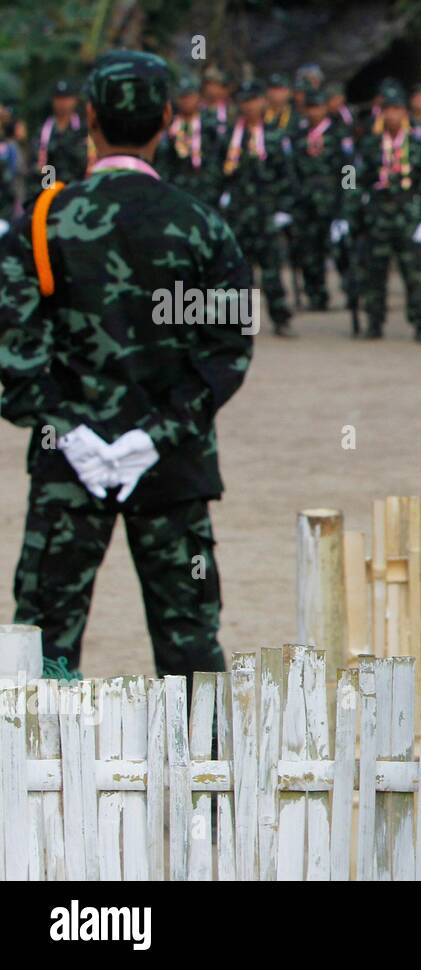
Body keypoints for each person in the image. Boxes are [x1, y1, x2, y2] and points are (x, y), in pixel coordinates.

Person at [0, 50, 252, 687]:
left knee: (44, 647)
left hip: (67, 464)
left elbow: (13, 344)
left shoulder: (40, 221)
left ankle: (41, 782)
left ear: (89, 117)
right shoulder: (202, 226)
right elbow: (227, 350)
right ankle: (203, 781)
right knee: (190, 645)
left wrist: (71, 430)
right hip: (171, 464)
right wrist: (154, 436)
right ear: (167, 119)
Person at [344, 81, 421, 341]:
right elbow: (353, 179)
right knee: (374, 274)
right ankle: (374, 322)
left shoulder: (417, 144)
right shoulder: (369, 144)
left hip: (407, 215)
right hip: (377, 216)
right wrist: (350, 214)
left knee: (413, 274)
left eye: (397, 109)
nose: (393, 115)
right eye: (388, 109)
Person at [218, 79, 297, 337]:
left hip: (267, 211)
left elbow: (287, 176)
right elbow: (219, 174)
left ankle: (280, 318)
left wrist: (284, 209)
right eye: (245, 102)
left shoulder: (275, 135)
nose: (249, 106)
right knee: (239, 270)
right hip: (239, 213)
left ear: (262, 102)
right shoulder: (230, 136)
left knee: (272, 268)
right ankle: (240, 321)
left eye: (253, 100)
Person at [291, 86, 353, 312]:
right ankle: (316, 295)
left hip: (332, 200)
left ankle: (351, 291)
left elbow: (348, 169)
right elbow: (292, 169)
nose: (313, 112)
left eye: (317, 106)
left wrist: (348, 200)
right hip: (306, 202)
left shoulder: (338, 134)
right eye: (309, 107)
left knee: (340, 250)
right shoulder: (298, 134)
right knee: (309, 250)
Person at [156, 75, 223, 209]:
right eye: (182, 97)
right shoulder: (170, 127)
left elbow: (219, 157)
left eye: (190, 96)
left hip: (206, 192)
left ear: (198, 97)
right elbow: (163, 162)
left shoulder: (210, 126)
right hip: (176, 193)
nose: (186, 101)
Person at [28, 79, 88, 196]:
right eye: (58, 99)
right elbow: (37, 167)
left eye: (66, 98)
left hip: (80, 192)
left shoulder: (84, 130)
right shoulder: (43, 132)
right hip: (48, 192)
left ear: (75, 100)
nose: (62, 103)